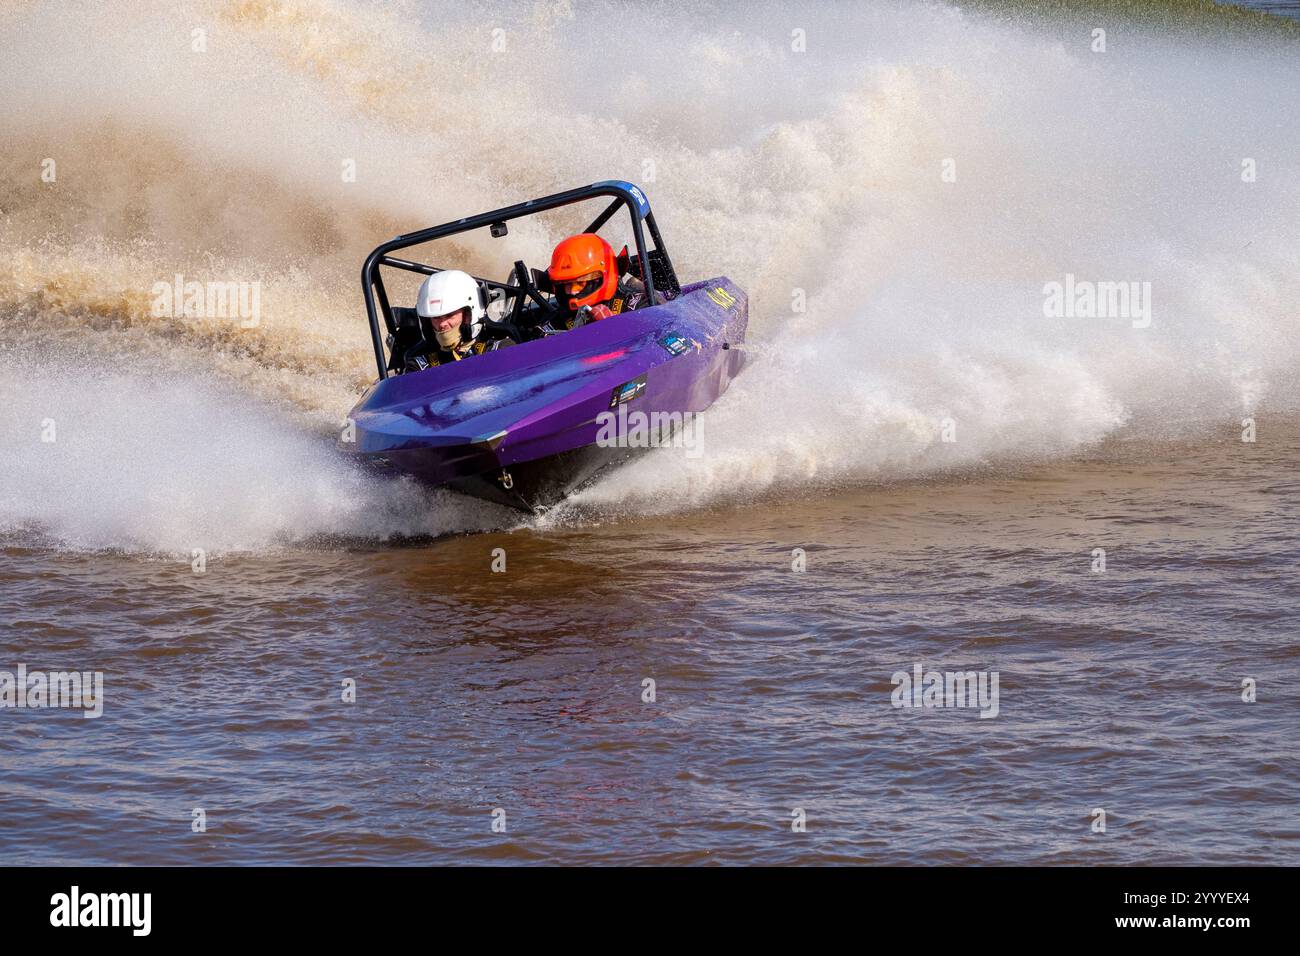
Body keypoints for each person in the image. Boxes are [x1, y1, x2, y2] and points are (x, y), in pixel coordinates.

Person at [542, 233, 662, 333]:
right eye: (566, 284)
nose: (572, 291)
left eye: (580, 283)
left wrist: (613, 326)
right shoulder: (555, 322)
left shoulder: (640, 304)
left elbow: (659, 338)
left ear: (603, 276)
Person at [403, 269, 514, 372]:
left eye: (449, 315)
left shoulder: (500, 351)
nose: (442, 324)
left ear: (469, 316)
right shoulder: (419, 367)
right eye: (436, 318)